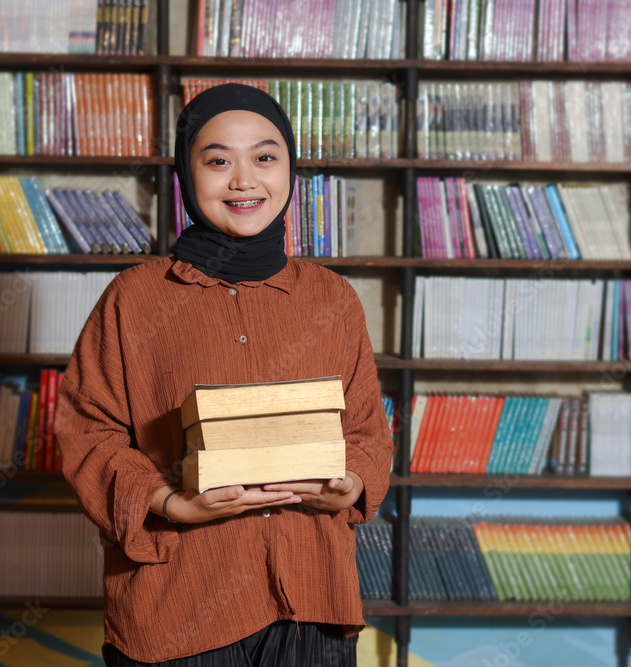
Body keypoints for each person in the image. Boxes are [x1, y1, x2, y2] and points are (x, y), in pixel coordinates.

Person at [54, 83, 393, 666]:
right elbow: (87, 434)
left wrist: (351, 485)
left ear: (290, 171)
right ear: (187, 174)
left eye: (265, 157)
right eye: (218, 161)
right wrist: (168, 502)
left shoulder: (332, 298)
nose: (244, 180)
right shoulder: (134, 298)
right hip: (178, 606)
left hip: (314, 601)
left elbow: (365, 433)